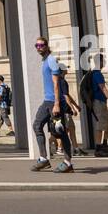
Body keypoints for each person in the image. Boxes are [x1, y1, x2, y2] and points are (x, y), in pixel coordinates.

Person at [30, 37, 73, 173]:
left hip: (54, 102)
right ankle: (44, 159)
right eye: (36, 45)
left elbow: (56, 84)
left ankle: (67, 163)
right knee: (37, 125)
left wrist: (56, 104)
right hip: (47, 101)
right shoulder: (45, 61)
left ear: (47, 46)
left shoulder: (51, 60)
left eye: (41, 45)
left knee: (60, 132)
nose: (39, 47)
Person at [86, 53, 108, 157]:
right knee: (101, 125)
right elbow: (103, 89)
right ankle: (98, 148)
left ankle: (104, 145)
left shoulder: (96, 73)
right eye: (103, 60)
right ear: (99, 62)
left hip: (102, 103)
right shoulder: (97, 74)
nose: (105, 62)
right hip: (98, 103)